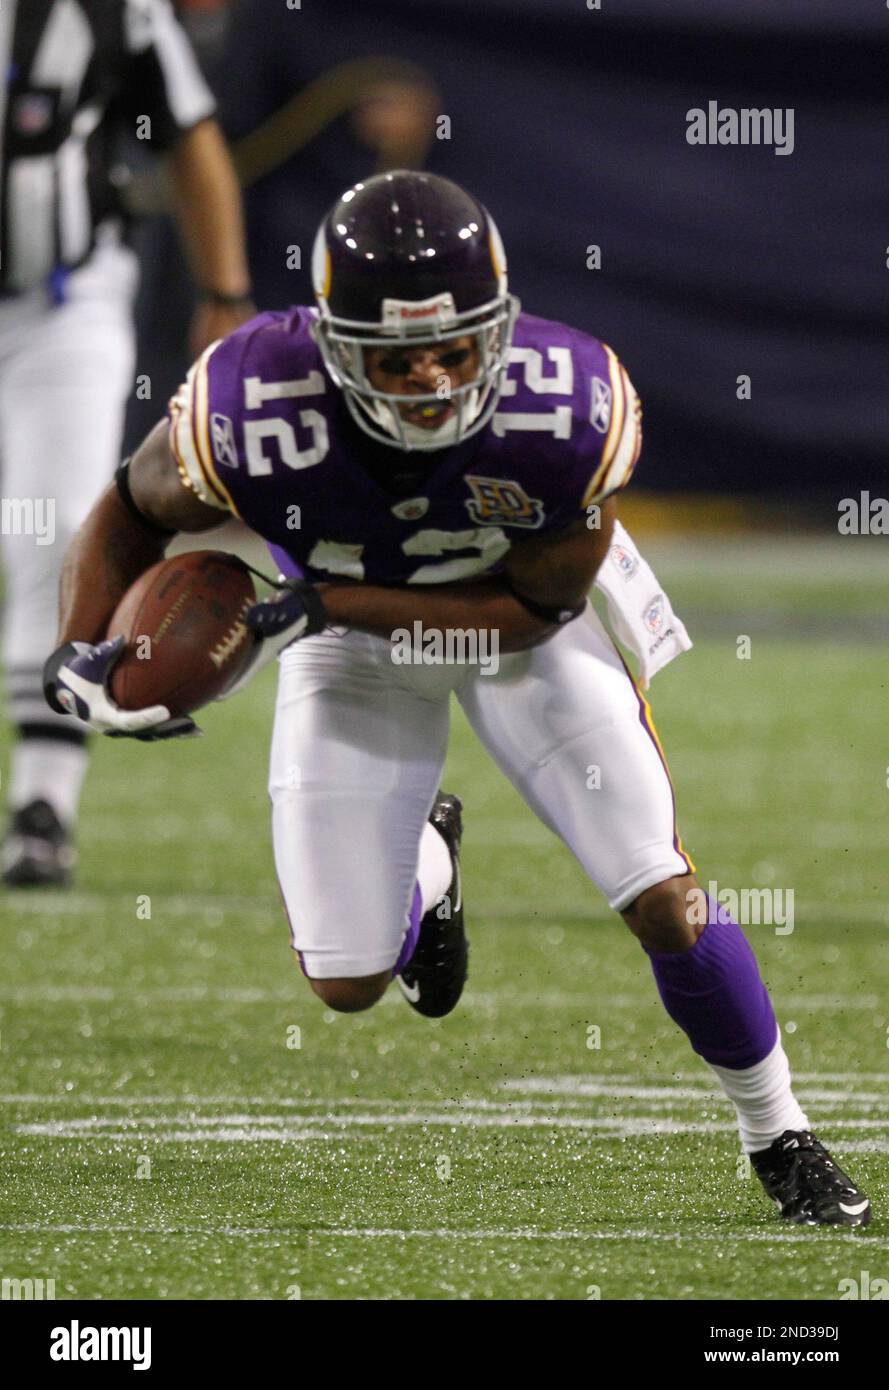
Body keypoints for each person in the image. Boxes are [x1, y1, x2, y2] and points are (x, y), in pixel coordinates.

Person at [44, 171, 870, 1228]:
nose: (431, 380)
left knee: (659, 890)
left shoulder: (565, 406)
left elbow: (533, 608)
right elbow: (126, 509)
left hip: (516, 634)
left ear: (500, 325)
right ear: (336, 346)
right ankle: (426, 869)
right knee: (346, 980)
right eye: (396, 358)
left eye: (455, 348)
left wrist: (327, 598)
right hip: (341, 634)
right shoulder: (250, 401)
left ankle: (780, 1132)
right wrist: (76, 650)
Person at [1, 0, 252, 886]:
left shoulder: (112, 11)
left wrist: (224, 290)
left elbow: (191, 135)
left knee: (54, 530)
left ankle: (43, 805)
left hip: (58, 307)